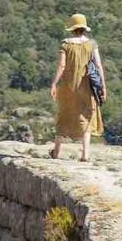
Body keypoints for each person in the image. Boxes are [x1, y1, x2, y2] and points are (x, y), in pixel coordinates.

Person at [49, 12, 105, 162]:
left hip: (67, 85)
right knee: (86, 115)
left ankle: (56, 152)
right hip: (86, 84)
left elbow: (61, 65)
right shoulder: (91, 44)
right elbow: (98, 66)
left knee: (64, 114)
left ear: (72, 28)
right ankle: (85, 155)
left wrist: (54, 83)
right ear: (84, 28)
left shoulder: (65, 44)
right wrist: (103, 86)